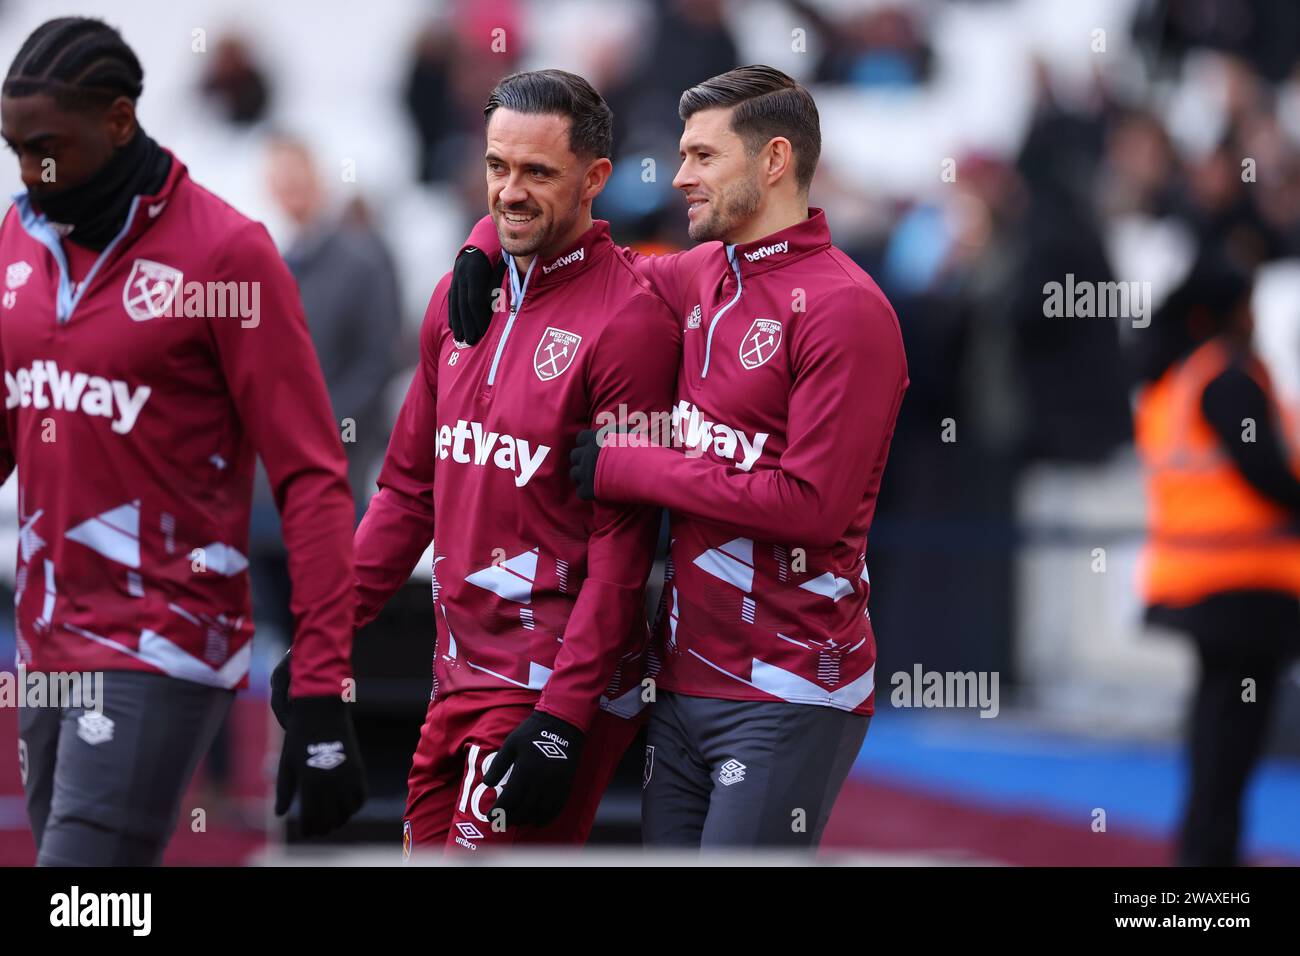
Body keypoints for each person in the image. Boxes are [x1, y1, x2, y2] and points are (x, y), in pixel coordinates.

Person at [451, 65, 908, 847]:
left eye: (702, 156)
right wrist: (483, 240)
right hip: (684, 677)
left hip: (790, 683)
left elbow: (811, 505)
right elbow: (577, 247)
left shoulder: (848, 311)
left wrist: (633, 464)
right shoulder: (699, 275)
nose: (681, 176)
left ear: (772, 162)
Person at [279, 69, 678, 853]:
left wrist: (564, 718)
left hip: (550, 685)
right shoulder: (455, 297)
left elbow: (622, 554)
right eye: (498, 168)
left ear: (596, 177)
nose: (510, 192)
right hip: (456, 673)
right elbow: (404, 495)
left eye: (538, 172)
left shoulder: (631, 321)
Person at [0, 17, 365, 865]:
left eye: (48, 146)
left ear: (121, 121)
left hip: (161, 637)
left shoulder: (228, 256)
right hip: (46, 635)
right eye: (14, 147)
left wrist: (320, 684)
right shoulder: (20, 235)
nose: (29, 171)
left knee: (77, 893)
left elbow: (312, 476)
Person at [1132, 252, 1300, 866]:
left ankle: (1203, 863)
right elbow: (1266, 474)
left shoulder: (1179, 377)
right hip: (1246, 585)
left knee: (1216, 732)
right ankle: (1210, 873)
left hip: (1203, 582)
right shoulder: (1227, 377)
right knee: (1232, 742)